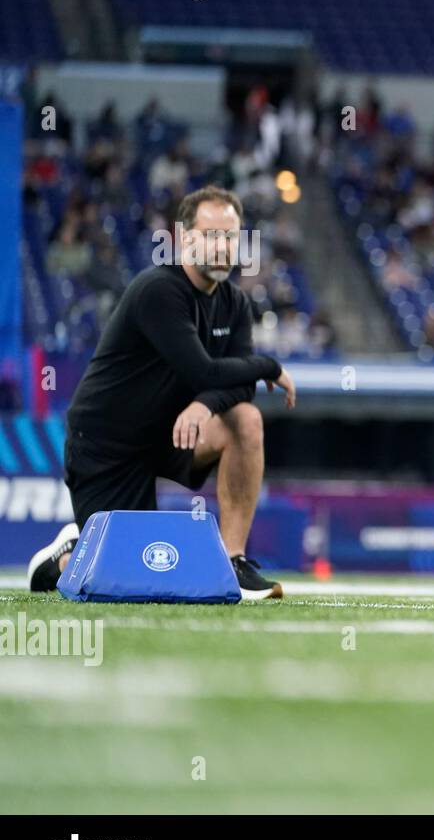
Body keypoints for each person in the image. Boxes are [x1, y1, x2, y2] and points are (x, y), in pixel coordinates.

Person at [26, 186, 296, 599]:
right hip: (107, 444)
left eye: (230, 236)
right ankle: (64, 558)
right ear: (185, 238)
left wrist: (203, 405)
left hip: (168, 434)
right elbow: (203, 369)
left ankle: (234, 562)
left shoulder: (236, 303)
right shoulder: (158, 290)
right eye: (211, 235)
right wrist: (270, 366)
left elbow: (236, 385)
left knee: (245, 418)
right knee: (133, 579)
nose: (223, 247)